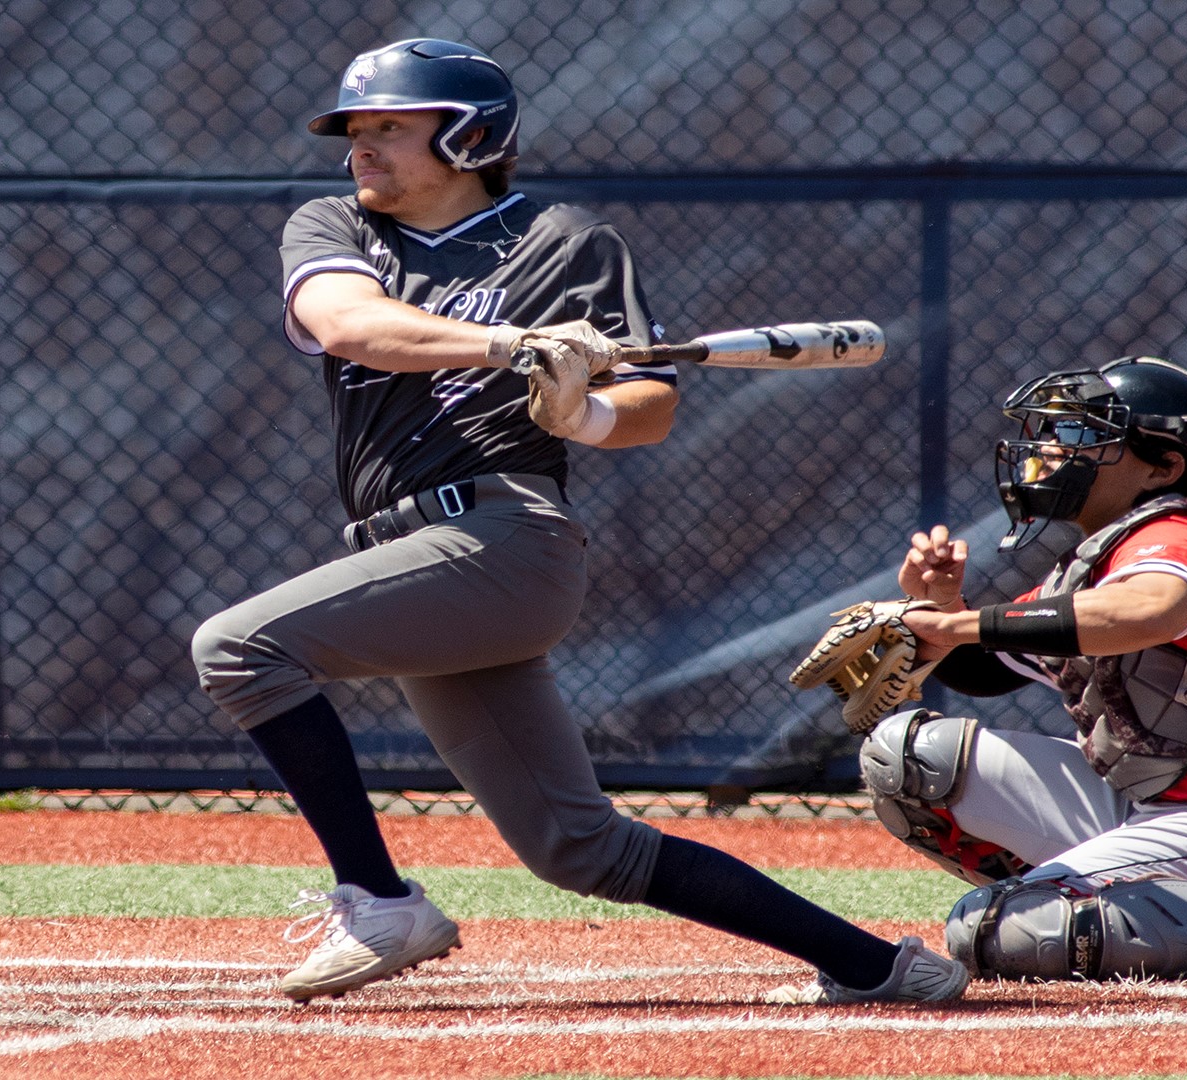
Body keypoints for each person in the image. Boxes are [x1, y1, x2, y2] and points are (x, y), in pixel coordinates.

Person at [191, 37, 965, 1006]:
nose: (361, 146)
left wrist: (579, 412)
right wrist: (514, 346)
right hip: (406, 553)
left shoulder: (567, 243)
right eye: (355, 128)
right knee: (579, 848)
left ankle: (378, 898)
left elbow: (649, 404)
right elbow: (353, 326)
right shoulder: (334, 225)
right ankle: (880, 967)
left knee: (237, 649)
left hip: (503, 539)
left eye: (390, 126)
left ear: (470, 136)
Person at [860, 355, 1187, 981]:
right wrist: (941, 609)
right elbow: (988, 671)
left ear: (1164, 467)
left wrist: (958, 624)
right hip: (1159, 813)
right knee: (907, 756)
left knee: (995, 932)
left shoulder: (1186, 535)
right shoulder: (1100, 557)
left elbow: (1153, 609)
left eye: (1086, 435)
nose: (1054, 450)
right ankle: (1088, 905)